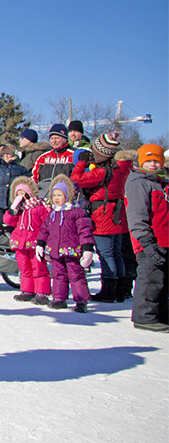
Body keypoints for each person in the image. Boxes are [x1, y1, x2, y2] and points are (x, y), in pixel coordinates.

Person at [71, 132, 133, 304]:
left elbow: (77, 179)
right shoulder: (121, 168)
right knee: (117, 253)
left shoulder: (102, 171)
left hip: (103, 215)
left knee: (106, 254)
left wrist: (82, 162)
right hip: (118, 214)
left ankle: (108, 291)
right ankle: (121, 290)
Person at [35, 176, 96, 313]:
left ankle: (81, 300)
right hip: (55, 250)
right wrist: (40, 244)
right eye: (54, 195)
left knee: (76, 275)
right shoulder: (52, 214)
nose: (56, 198)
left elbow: (85, 232)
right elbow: (44, 230)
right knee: (58, 274)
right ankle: (59, 298)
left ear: (68, 196)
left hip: (71, 250)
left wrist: (87, 249)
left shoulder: (76, 213)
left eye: (60, 195)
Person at [124, 144, 168, 331]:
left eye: (156, 161)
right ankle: (144, 316)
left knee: (162, 280)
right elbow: (137, 216)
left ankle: (161, 314)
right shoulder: (138, 183)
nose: (152, 164)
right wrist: (146, 242)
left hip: (163, 241)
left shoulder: (159, 183)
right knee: (150, 278)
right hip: (148, 242)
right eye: (148, 160)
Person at [5, 176, 52, 304]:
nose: (21, 196)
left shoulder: (39, 207)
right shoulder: (18, 211)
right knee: (24, 267)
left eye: (23, 194)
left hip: (35, 242)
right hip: (20, 242)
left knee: (38, 267)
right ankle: (27, 290)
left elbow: (47, 223)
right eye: (18, 194)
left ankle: (42, 292)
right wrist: (13, 209)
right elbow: (8, 221)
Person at [0, 142, 30, 229]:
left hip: (14, 205)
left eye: (9, 153)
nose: (6, 156)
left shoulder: (21, 169)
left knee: (11, 231)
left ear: (14, 154)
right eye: (4, 154)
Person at [32, 123, 77, 198]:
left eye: (57, 138)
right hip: (45, 198)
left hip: (66, 198)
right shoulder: (43, 157)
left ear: (65, 138)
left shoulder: (73, 155)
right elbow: (34, 178)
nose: (54, 141)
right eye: (52, 138)